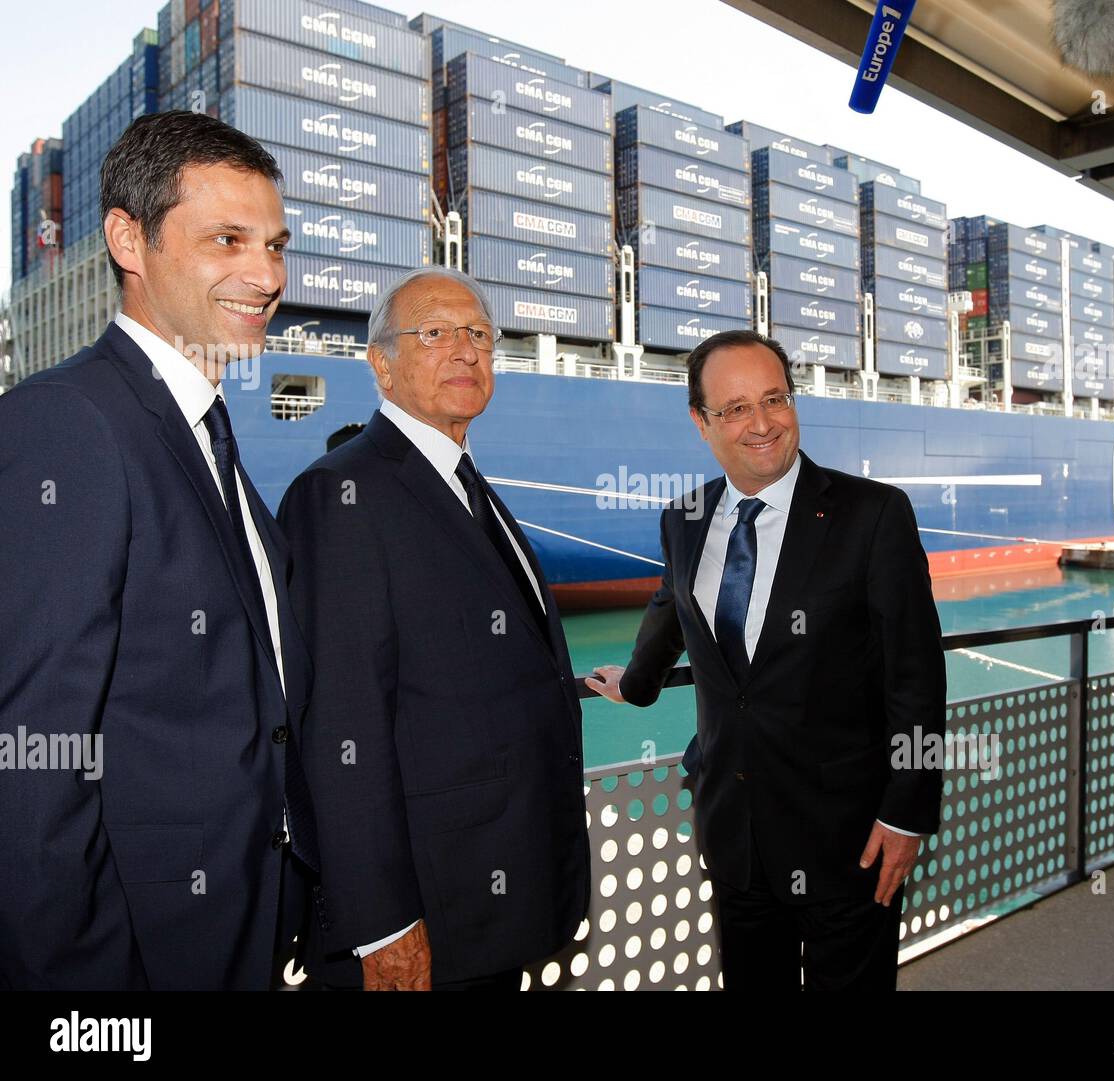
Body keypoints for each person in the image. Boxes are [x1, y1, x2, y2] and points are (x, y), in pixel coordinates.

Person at [0, 111, 318, 990]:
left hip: (247, 937)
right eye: (228, 240)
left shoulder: (207, 435)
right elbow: (31, 755)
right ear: (127, 240)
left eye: (274, 243)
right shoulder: (68, 424)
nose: (267, 275)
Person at [586, 329, 946, 991]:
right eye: (736, 408)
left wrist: (907, 814)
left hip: (851, 835)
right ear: (701, 422)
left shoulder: (873, 514)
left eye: (774, 399)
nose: (762, 423)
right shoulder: (685, 516)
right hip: (734, 830)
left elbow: (916, 677)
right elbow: (672, 607)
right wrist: (635, 685)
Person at [277, 267, 590, 991]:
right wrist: (381, 922)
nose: (466, 350)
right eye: (435, 333)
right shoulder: (340, 495)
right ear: (381, 364)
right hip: (422, 918)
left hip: (491, 904)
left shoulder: (467, 486)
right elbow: (339, 729)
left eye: (479, 334)